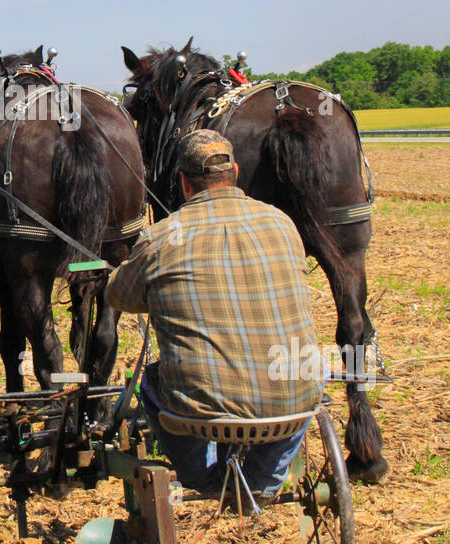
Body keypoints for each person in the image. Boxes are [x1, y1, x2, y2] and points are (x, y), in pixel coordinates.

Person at [105, 129, 322, 497]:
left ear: (184, 183)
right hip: (292, 402)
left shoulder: (161, 236)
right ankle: (264, 482)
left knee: (151, 382)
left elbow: (118, 296)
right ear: (235, 171)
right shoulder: (283, 223)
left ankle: (203, 478)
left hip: (195, 414)